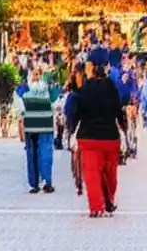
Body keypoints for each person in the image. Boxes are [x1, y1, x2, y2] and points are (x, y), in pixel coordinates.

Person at [73, 47, 127, 218]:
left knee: (92, 173)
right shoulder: (113, 89)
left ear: (92, 67)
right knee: (110, 173)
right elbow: (120, 111)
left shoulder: (84, 90)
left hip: (88, 137)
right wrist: (123, 129)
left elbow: (76, 111)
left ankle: (97, 206)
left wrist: (71, 131)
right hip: (110, 137)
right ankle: (108, 199)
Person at [14, 67, 57, 194]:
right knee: (45, 153)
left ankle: (33, 184)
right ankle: (46, 181)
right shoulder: (48, 87)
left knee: (31, 153)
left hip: (31, 123)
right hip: (45, 123)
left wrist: (21, 117)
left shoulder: (23, 88)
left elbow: (18, 105)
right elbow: (55, 103)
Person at [63, 63, 86, 196]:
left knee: (78, 151)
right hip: (75, 121)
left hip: (80, 120)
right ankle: (78, 180)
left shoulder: (83, 88)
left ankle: (79, 179)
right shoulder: (74, 91)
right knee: (76, 151)